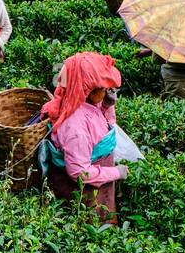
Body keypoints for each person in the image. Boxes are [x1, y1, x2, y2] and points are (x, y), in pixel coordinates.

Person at [38, 52, 131, 226]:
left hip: (99, 181)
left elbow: (102, 124)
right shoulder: (75, 127)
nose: (106, 91)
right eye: (103, 88)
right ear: (87, 89)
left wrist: (106, 106)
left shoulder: (83, 102)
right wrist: (116, 172)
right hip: (87, 192)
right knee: (93, 228)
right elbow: (79, 173)